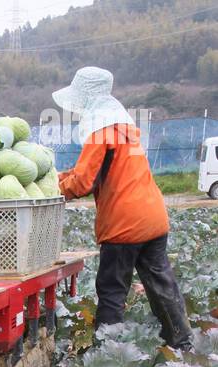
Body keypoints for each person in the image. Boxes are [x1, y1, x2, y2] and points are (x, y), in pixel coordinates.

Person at [54, 67, 192, 350]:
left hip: (124, 225)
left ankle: (108, 352)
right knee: (162, 285)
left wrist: (50, 191)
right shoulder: (124, 128)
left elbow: (82, 183)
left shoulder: (100, 130)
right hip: (152, 218)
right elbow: (96, 171)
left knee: (112, 290)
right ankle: (182, 341)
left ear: (87, 97)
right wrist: (58, 177)